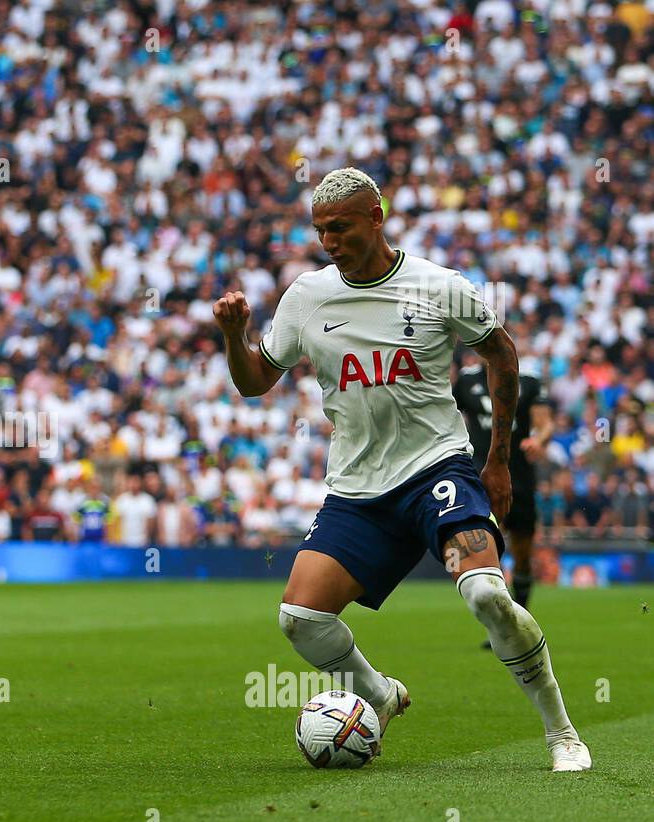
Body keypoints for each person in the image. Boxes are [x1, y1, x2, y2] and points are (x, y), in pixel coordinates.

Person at [215, 167, 589, 772]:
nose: (329, 241)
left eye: (340, 227)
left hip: (436, 467)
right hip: (358, 489)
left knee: (488, 597)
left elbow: (503, 355)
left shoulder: (440, 286)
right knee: (300, 619)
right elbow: (256, 381)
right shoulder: (307, 296)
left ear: (377, 218)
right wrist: (236, 338)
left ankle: (562, 732)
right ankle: (379, 694)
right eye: (319, 231)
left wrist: (497, 460)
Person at [453, 352, 554, 648]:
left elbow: (544, 423)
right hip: (479, 476)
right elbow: (449, 415)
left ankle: (522, 614)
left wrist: (539, 439)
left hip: (519, 476)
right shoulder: (467, 380)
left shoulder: (528, 382)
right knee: (487, 549)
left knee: (523, 551)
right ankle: (502, 626)